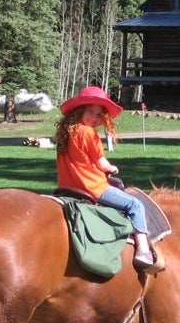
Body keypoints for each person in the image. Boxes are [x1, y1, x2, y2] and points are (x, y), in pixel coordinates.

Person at [55, 86, 157, 271]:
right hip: (93, 187)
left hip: (67, 187)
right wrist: (112, 167)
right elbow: (102, 164)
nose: (94, 118)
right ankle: (143, 249)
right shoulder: (88, 133)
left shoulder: (68, 132)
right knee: (134, 205)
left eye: (99, 115)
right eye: (90, 112)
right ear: (80, 110)